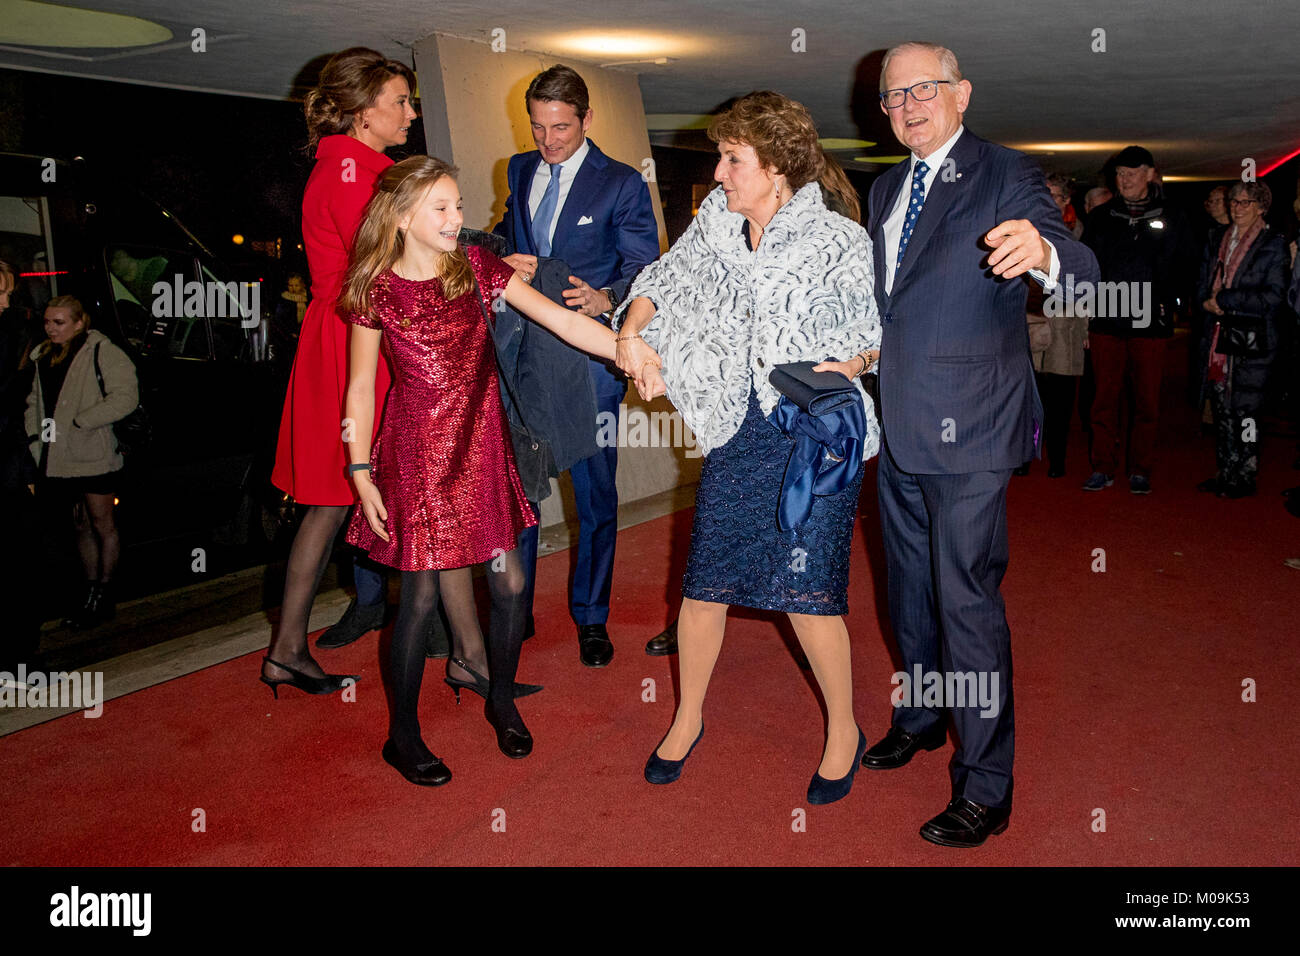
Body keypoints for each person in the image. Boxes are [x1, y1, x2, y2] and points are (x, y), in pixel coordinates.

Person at [338, 156, 644, 784]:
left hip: (482, 448)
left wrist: (625, 348)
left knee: (507, 586)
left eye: (458, 204)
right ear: (401, 218)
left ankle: (499, 702)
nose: (458, 219)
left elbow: (558, 318)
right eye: (442, 208)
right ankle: (403, 736)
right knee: (419, 599)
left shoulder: (477, 267)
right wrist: (360, 471)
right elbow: (362, 387)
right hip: (416, 457)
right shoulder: (376, 289)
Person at [614, 90, 881, 806]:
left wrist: (846, 367)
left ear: (777, 165)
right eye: (722, 158)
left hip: (813, 434)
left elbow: (871, 333)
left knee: (808, 594)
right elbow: (663, 279)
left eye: (734, 159)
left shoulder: (837, 240)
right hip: (737, 427)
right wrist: (632, 331)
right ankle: (688, 717)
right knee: (705, 585)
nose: (722, 172)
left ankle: (844, 730)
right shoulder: (716, 224)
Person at [862, 42, 1098, 846]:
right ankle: (923, 712)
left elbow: (1086, 265)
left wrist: (1048, 255)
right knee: (909, 595)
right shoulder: (887, 187)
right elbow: (894, 307)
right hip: (897, 428)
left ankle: (986, 785)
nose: (908, 105)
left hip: (972, 429)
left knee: (964, 602)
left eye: (924, 89)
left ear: (961, 93)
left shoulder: (1004, 171)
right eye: (894, 96)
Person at [492, 65, 660, 669]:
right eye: (537, 127)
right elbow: (506, 234)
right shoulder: (517, 169)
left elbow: (647, 267)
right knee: (522, 489)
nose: (548, 140)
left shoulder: (620, 182)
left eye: (560, 127)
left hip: (588, 357)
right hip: (525, 356)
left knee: (594, 496)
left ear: (587, 119)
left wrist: (607, 298)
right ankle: (517, 607)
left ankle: (592, 616)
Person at [261, 48, 417, 696]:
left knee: (327, 505)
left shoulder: (340, 164)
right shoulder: (364, 174)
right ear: (362, 110)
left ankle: (288, 649)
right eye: (400, 101)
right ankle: (442, 638)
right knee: (401, 492)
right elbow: (390, 271)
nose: (410, 113)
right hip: (361, 338)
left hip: (339, 336)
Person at [1081, 145, 1196, 495]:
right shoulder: (1102, 217)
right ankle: (1103, 466)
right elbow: (1088, 265)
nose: (1124, 179)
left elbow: (1187, 265)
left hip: (1150, 321)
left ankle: (1140, 469)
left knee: (1146, 400)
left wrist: (1168, 301)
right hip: (1107, 320)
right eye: (1119, 174)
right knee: (1104, 398)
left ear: (1150, 174)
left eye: (1132, 173)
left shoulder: (1174, 216)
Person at [25, 296, 139, 630]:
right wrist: (36, 438)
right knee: (81, 526)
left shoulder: (101, 351)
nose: (50, 328)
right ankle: (90, 591)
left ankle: (104, 593)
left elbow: (126, 396)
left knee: (103, 523)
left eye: (58, 322)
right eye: (47, 321)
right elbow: (34, 401)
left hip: (94, 454)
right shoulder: (42, 355)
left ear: (79, 322)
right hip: (58, 456)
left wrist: (82, 421)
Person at [1196, 181, 1288, 498]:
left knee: (1246, 411)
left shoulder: (1272, 243)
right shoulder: (1218, 238)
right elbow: (1203, 279)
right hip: (1219, 336)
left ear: (1261, 207)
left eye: (1245, 202)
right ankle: (1226, 470)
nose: (1237, 207)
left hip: (1252, 341)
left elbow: (1274, 296)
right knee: (1221, 408)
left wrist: (1227, 299)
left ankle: (1245, 474)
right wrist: (1206, 300)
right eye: (1234, 201)